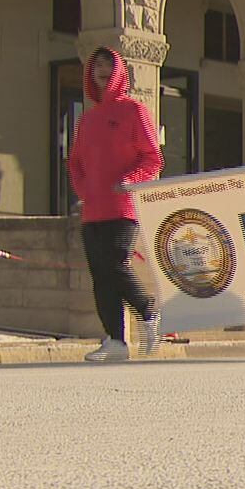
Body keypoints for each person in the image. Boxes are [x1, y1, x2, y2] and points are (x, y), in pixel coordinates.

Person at [66, 46, 163, 362]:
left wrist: (131, 180)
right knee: (100, 274)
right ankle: (115, 340)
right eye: (97, 66)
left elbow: (152, 158)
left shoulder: (134, 111)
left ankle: (147, 309)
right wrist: (83, 190)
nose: (102, 71)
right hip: (93, 209)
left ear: (119, 70)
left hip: (123, 207)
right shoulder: (88, 119)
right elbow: (76, 162)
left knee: (115, 265)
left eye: (108, 65)